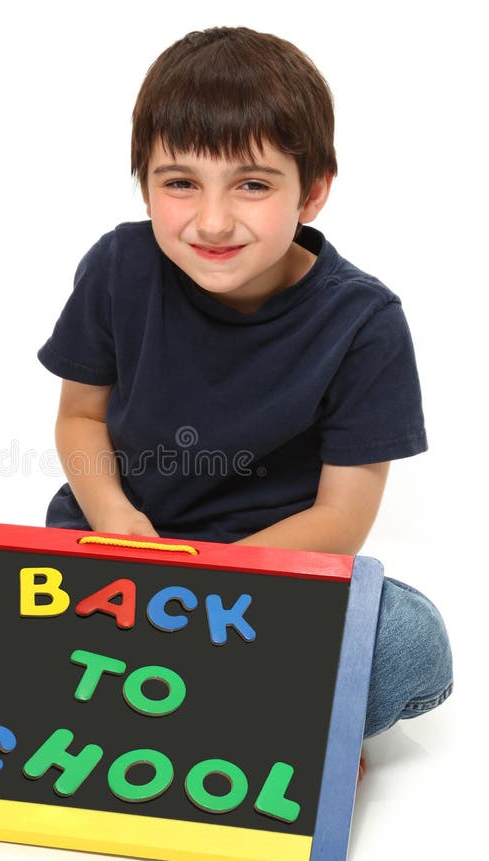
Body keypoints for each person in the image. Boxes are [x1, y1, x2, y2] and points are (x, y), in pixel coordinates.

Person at [37, 26, 452, 741]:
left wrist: (204, 585)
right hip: (122, 551)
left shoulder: (365, 322)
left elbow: (341, 518)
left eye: (253, 185)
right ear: (146, 187)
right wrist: (115, 519)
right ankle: (247, 721)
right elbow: (81, 418)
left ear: (312, 192)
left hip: (269, 576)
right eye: (180, 183)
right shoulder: (117, 267)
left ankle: (204, 717)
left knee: (410, 642)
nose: (213, 220)